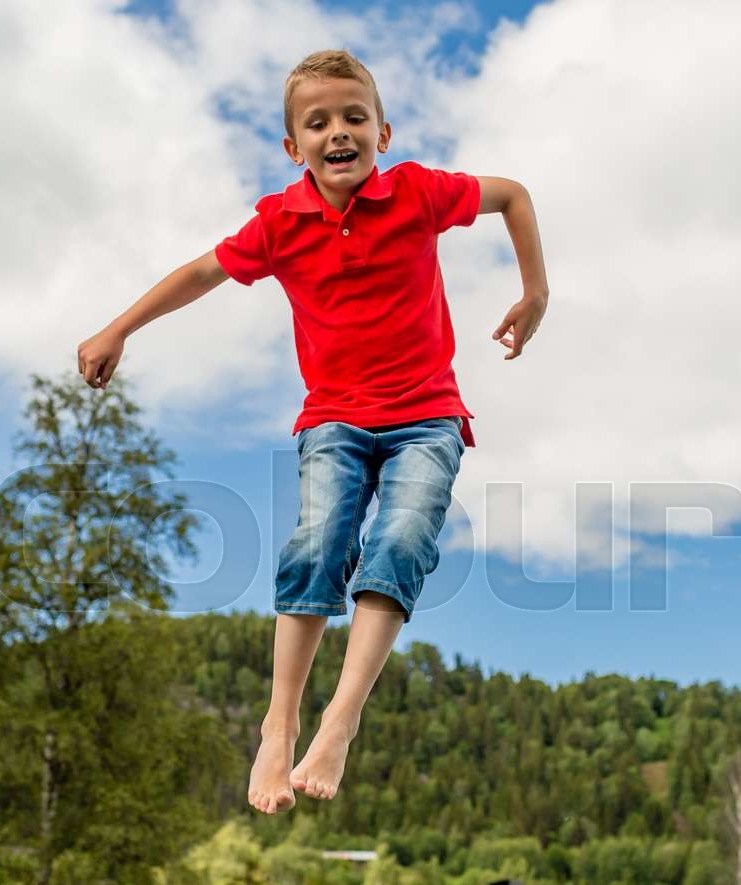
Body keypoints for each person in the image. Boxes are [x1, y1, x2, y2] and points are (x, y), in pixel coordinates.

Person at [76, 49, 549, 815]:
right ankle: (280, 721)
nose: (339, 132)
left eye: (354, 117)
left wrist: (535, 291)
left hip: (427, 414)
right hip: (335, 415)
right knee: (319, 540)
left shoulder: (419, 193)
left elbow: (514, 196)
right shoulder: (279, 224)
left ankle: (342, 716)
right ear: (294, 148)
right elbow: (201, 273)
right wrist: (119, 327)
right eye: (318, 122)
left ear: (382, 131)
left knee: (400, 541)